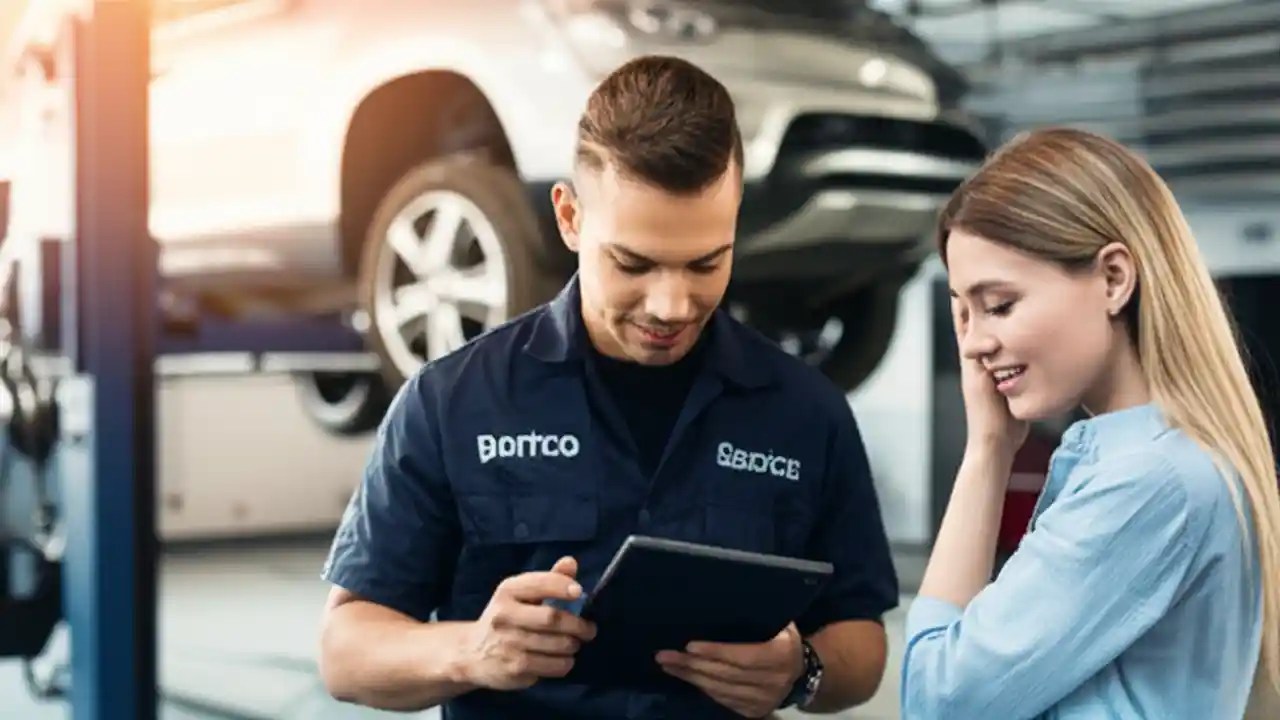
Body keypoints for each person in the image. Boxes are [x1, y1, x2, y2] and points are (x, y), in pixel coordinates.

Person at [316, 55, 899, 719]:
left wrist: (803, 670)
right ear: (569, 218)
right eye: (633, 263)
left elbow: (863, 641)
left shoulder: (806, 412)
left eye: (707, 262)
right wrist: (470, 649)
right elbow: (346, 650)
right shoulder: (451, 402)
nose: (672, 304)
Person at [901, 127, 1280, 720]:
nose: (973, 344)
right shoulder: (1156, 463)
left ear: (1113, 279)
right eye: (963, 314)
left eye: (998, 305)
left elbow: (938, 701)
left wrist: (986, 453)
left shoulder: (1148, 482)